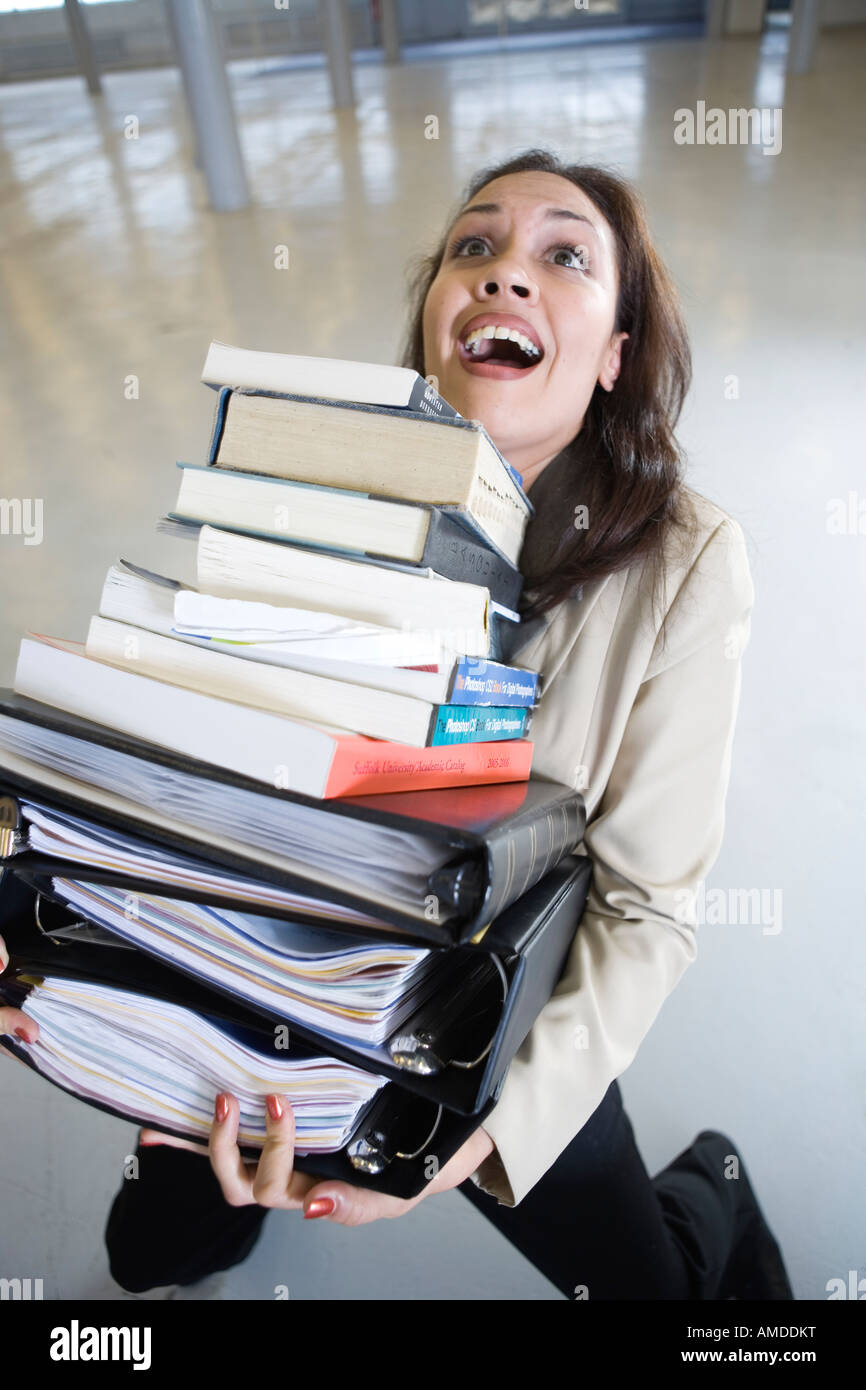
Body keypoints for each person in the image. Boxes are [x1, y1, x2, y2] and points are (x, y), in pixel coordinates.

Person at [0, 148, 794, 1300]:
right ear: (432, 324)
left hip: (481, 1009)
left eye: (562, 257)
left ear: (615, 354)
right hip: (262, 948)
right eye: (472, 247)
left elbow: (646, 910)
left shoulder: (683, 563)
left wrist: (470, 1144)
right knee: (151, 1259)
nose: (503, 275)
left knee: (649, 1298)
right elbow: (173, 747)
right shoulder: (312, 490)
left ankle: (710, 1185)